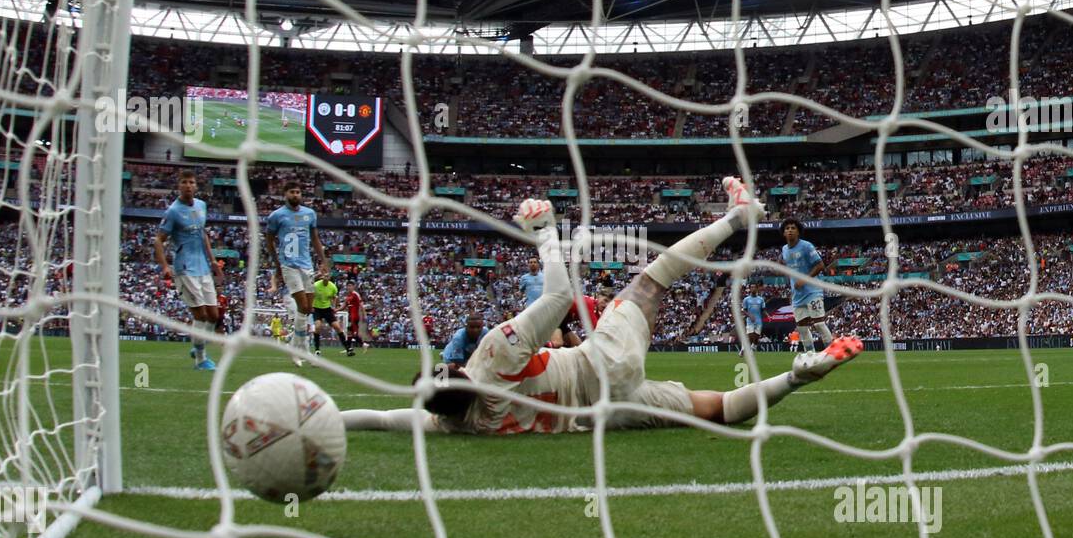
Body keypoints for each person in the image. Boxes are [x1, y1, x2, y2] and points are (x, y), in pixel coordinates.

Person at [342, 179, 863, 436]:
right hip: (600, 361)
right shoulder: (490, 357)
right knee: (652, 279)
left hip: (605, 414)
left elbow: (385, 420)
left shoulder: (454, 426)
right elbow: (560, 297)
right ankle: (737, 218)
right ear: (456, 372)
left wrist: (328, 417)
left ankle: (797, 378)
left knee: (718, 409)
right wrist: (545, 235)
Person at [154, 171, 224, 370]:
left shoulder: (201, 206)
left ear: (196, 186)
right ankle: (200, 360)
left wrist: (213, 262)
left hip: (203, 266)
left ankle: (198, 344)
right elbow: (158, 240)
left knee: (214, 314)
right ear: (179, 186)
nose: (188, 185)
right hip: (184, 268)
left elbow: (203, 235)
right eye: (184, 182)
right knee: (200, 314)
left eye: (191, 182)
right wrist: (165, 266)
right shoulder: (173, 211)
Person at [265, 182, 328, 366]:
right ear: (285, 194)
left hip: (306, 265)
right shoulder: (276, 216)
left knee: (307, 309)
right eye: (292, 192)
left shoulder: (309, 214)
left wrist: (323, 261)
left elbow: (315, 238)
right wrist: (277, 264)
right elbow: (269, 241)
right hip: (289, 265)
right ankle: (303, 351)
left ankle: (297, 348)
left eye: (298, 192)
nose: (295, 195)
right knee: (302, 305)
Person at [781, 218, 831, 353]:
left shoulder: (806, 246)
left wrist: (804, 279)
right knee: (802, 328)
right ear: (784, 233)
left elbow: (820, 265)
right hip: (797, 295)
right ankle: (811, 355)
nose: (790, 230)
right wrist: (791, 292)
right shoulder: (784, 249)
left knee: (819, 323)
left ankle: (832, 355)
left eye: (793, 228)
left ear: (798, 232)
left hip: (812, 291)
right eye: (787, 228)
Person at [312, 269, 352, 357]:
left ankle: (347, 349)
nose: (326, 278)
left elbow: (334, 297)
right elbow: (311, 295)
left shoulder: (333, 287)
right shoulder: (316, 285)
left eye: (327, 276)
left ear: (330, 277)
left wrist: (334, 306)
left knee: (337, 327)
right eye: (324, 276)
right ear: (322, 277)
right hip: (317, 309)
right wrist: (311, 306)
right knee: (318, 326)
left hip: (327, 309)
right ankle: (317, 350)